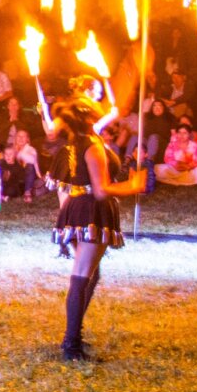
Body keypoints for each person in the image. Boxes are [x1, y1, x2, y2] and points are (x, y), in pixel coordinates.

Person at [44, 76, 146, 361]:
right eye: (92, 101)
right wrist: (134, 185)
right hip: (90, 209)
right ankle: (71, 346)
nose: (97, 102)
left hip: (78, 208)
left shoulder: (84, 139)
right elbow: (101, 190)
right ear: (87, 115)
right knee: (81, 276)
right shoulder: (92, 145)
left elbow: (114, 110)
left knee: (90, 273)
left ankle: (74, 337)